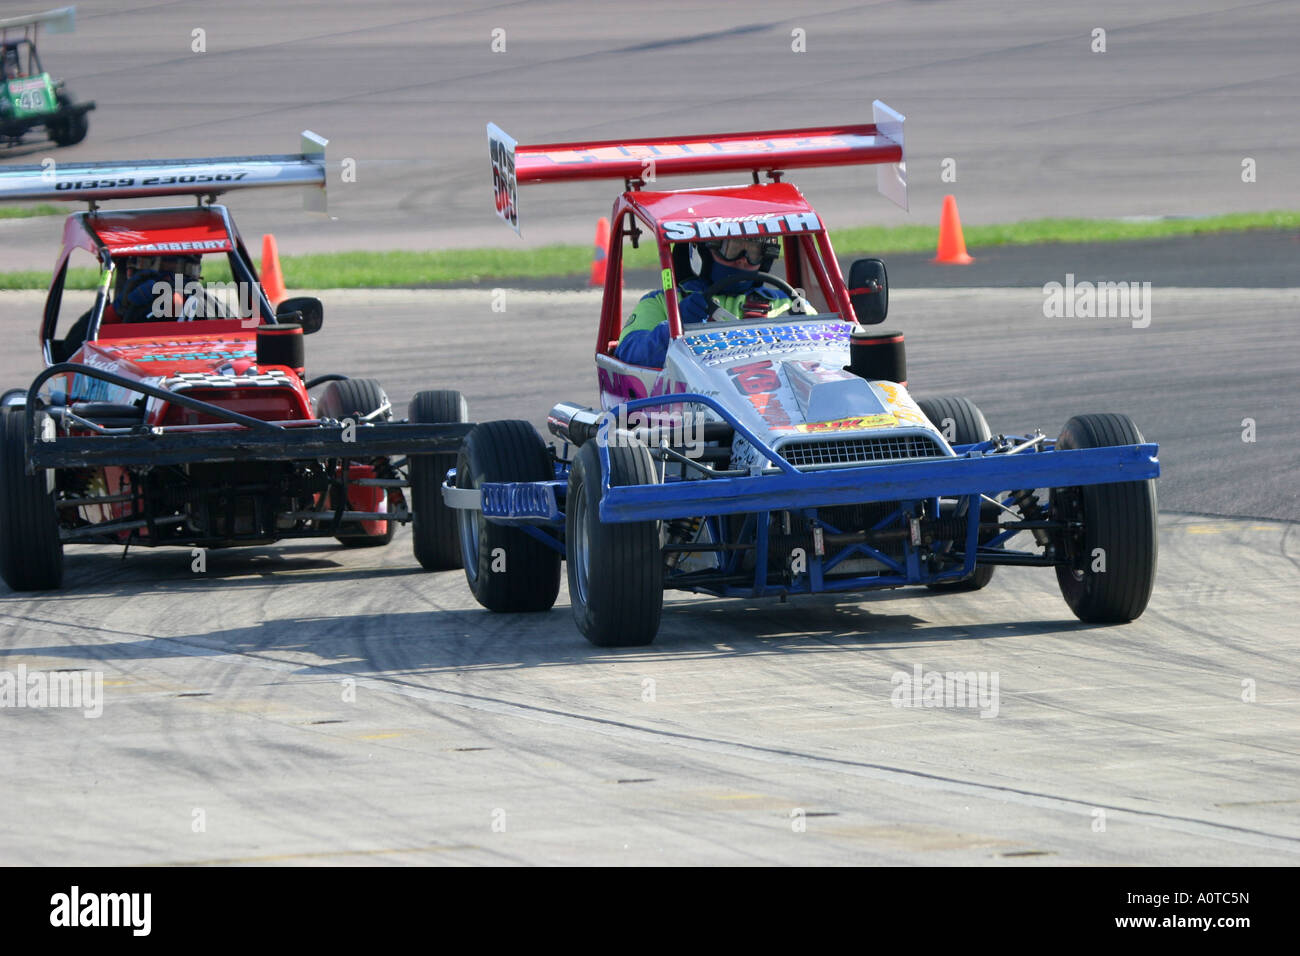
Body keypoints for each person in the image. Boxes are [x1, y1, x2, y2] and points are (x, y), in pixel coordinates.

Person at [616, 236, 805, 367]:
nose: (743, 261)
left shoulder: (788, 303)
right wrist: (675, 325)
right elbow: (628, 356)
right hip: (691, 410)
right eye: (735, 248)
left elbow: (826, 350)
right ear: (705, 252)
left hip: (770, 406)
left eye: (753, 251)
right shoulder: (662, 303)